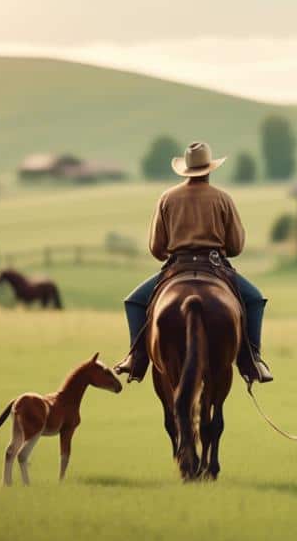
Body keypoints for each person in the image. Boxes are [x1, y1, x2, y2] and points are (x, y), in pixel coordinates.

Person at [114, 141, 273, 383]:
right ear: (209, 169)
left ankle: (135, 358)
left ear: (186, 169)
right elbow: (236, 246)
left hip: (178, 266)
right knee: (254, 299)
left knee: (134, 301)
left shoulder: (167, 198)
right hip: (215, 266)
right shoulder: (223, 198)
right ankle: (253, 361)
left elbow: (156, 248)